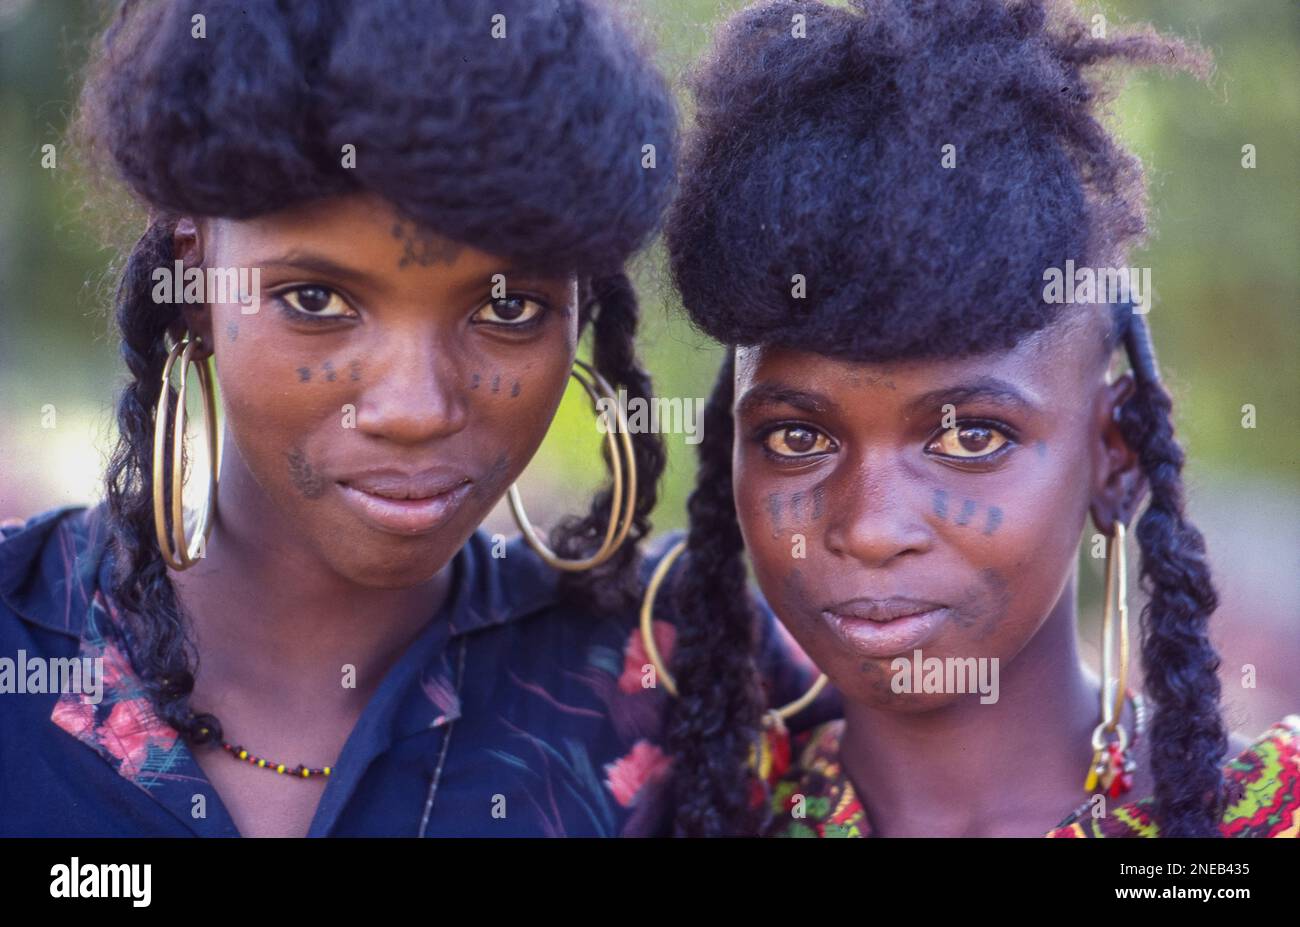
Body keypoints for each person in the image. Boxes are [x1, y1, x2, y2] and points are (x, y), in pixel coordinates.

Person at [0, 0, 827, 838]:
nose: (415, 410)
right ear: (195, 278)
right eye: (316, 298)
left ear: (582, 311)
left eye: (508, 309)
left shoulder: (690, 671)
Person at [649, 0, 1299, 837]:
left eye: (970, 435)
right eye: (798, 437)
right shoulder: (679, 807)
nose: (872, 528)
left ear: (1117, 453)